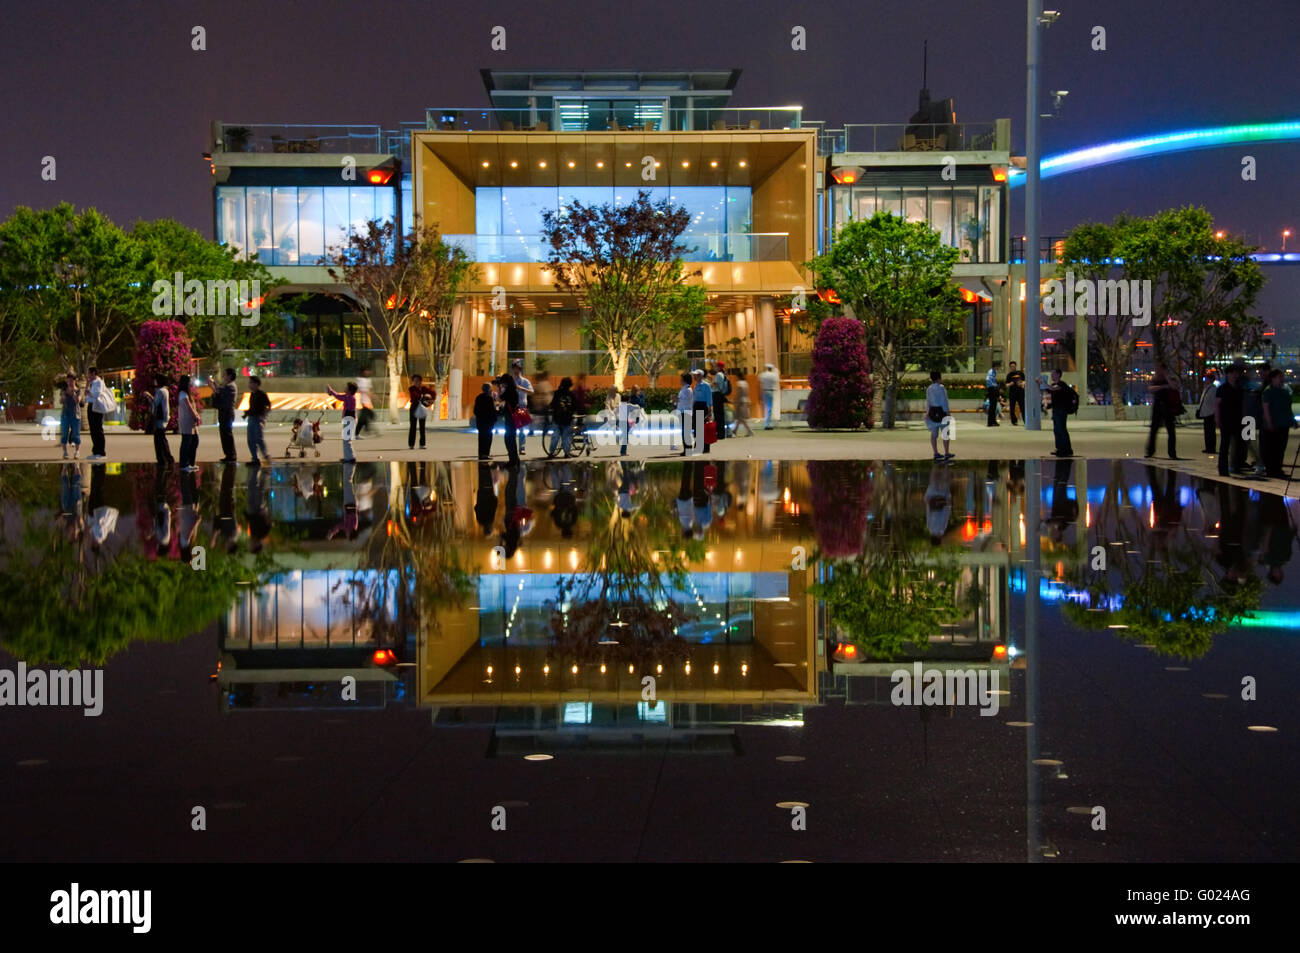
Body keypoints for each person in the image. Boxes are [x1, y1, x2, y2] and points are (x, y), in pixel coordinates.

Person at [1261, 368, 1295, 479]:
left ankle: (1277, 469)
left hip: (1284, 424)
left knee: (1281, 448)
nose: (1282, 379)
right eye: (1280, 377)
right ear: (1273, 378)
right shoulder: (1269, 391)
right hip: (1275, 424)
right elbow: (1265, 408)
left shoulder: (1284, 392)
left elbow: (1288, 408)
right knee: (1273, 448)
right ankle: (1272, 469)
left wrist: (1292, 420)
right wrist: (1269, 422)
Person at [1144, 362, 1181, 460]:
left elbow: (1174, 386)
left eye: (1159, 369)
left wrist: (1167, 377)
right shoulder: (1155, 379)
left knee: (1171, 431)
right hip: (1158, 406)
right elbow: (1151, 389)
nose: (1157, 371)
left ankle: (1172, 453)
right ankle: (1150, 451)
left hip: (1168, 406)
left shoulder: (1170, 378)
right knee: (1153, 430)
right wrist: (1163, 387)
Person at [1215, 364, 1244, 478]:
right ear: (1227, 374)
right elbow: (1217, 404)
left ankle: (1236, 466)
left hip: (1238, 419)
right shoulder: (1222, 389)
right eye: (1231, 373)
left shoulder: (1239, 388)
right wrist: (1217, 419)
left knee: (1238, 445)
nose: (1234, 375)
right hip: (1226, 420)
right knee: (1225, 445)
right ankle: (1223, 469)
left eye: (1235, 373)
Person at [325, 381, 359, 462]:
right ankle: (348, 457)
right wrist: (331, 392)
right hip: (349, 419)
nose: (345, 388)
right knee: (346, 439)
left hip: (349, 419)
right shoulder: (349, 396)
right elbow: (339, 397)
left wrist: (331, 391)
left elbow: (339, 397)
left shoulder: (350, 398)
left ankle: (350, 458)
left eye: (346, 387)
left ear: (350, 390)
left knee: (346, 440)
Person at [925, 369, 953, 461]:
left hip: (932, 412)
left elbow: (928, 401)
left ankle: (935, 452)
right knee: (945, 433)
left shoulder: (929, 388)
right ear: (939, 378)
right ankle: (946, 452)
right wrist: (948, 412)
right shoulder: (941, 387)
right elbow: (944, 401)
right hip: (942, 412)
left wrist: (927, 413)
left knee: (934, 434)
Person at [85, 367, 112, 460]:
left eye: (89, 373)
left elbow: (97, 395)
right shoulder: (92, 383)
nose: (88, 375)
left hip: (96, 407)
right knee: (93, 430)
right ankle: (95, 451)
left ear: (93, 373)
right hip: (91, 406)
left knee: (97, 429)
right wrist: (87, 386)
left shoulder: (99, 382)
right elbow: (87, 394)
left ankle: (101, 452)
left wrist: (89, 393)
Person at [244, 374, 271, 466]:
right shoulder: (252, 395)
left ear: (256, 384)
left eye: (251, 383)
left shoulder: (262, 394)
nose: (249, 385)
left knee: (258, 439)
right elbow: (252, 408)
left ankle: (265, 456)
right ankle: (255, 458)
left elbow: (268, 405)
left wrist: (263, 416)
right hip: (251, 418)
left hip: (257, 419)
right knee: (250, 440)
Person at [1047, 368, 1074, 456]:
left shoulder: (1062, 384)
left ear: (1058, 375)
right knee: (1056, 430)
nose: (1052, 376)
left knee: (1061, 429)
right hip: (1056, 410)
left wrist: (1041, 382)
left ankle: (1066, 449)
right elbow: (1049, 389)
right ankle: (1059, 448)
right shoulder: (1054, 385)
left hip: (1062, 410)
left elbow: (1052, 389)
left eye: (1053, 374)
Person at [214, 368, 239, 462]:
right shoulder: (227, 386)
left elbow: (221, 392)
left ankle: (231, 454)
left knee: (227, 434)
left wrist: (215, 387)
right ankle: (228, 454)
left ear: (230, 376)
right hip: (224, 412)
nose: (224, 376)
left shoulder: (231, 386)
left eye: (225, 374)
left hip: (227, 413)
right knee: (224, 434)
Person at [496, 372, 521, 465]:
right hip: (513, 416)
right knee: (512, 438)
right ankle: (515, 459)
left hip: (510, 417)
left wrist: (499, 389)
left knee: (508, 438)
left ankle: (513, 460)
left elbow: (499, 399)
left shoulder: (509, 390)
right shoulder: (514, 390)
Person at [549, 377, 577, 457]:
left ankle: (551, 453)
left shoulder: (557, 393)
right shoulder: (571, 394)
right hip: (567, 419)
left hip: (557, 419)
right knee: (567, 437)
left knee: (555, 436)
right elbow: (575, 405)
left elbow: (553, 404)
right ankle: (566, 453)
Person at [177, 374, 200, 471]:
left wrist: (196, 415)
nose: (191, 383)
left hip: (191, 421)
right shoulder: (183, 393)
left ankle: (190, 462)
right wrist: (196, 415)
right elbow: (189, 407)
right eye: (190, 381)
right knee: (186, 442)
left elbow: (192, 406)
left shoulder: (187, 393)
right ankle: (184, 464)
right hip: (186, 421)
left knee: (194, 441)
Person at [510, 361, 533, 454]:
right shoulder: (510, 380)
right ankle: (512, 448)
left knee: (522, 429)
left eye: (518, 368)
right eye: (515, 368)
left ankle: (522, 447)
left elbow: (531, 391)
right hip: (512, 407)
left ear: (520, 369)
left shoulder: (525, 381)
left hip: (522, 407)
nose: (516, 370)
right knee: (511, 429)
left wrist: (521, 388)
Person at [151, 374, 174, 465]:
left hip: (160, 419)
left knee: (159, 440)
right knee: (162, 439)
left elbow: (155, 403)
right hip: (163, 418)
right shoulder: (165, 390)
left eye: (155, 380)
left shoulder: (160, 391)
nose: (154, 381)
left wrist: (149, 396)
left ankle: (164, 459)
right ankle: (167, 458)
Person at [1196, 368, 1219, 455]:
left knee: (1210, 432)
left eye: (1206, 379)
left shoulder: (1212, 389)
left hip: (1210, 413)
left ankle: (1211, 447)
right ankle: (1209, 447)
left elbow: (1213, 402)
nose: (1205, 380)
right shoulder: (1207, 389)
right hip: (1207, 413)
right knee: (1208, 432)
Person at [408, 373, 434, 450]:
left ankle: (422, 444)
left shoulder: (424, 389)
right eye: (415, 381)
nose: (416, 382)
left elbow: (433, 393)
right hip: (414, 408)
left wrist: (429, 398)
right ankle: (411, 444)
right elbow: (415, 396)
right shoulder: (411, 388)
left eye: (418, 381)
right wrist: (424, 396)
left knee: (422, 427)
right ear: (412, 382)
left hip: (422, 408)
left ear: (421, 381)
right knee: (413, 426)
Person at [59, 374, 82, 459]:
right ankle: (65, 452)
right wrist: (64, 395)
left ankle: (77, 452)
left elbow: (78, 401)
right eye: (68, 381)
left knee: (76, 434)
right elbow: (60, 401)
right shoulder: (64, 390)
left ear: (75, 381)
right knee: (64, 433)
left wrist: (74, 393)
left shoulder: (78, 390)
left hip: (76, 415)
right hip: (65, 414)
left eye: (71, 381)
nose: (69, 383)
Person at [473, 382, 497, 460]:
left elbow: (475, 410)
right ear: (489, 389)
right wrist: (494, 419)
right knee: (488, 438)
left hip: (480, 421)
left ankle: (481, 454)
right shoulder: (489, 398)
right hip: (488, 422)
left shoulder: (478, 397)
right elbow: (492, 410)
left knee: (481, 438)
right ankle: (486, 454)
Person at [692, 368, 713, 454]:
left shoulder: (706, 386)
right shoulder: (696, 385)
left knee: (703, 428)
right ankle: (698, 446)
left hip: (703, 406)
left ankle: (705, 447)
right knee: (697, 428)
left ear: (700, 376)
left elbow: (709, 399)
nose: (694, 377)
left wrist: (709, 411)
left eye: (696, 375)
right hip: (697, 406)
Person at [674, 371, 694, 454]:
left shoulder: (687, 390)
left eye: (681, 379)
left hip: (685, 412)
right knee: (684, 431)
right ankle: (686, 448)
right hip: (683, 412)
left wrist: (676, 399)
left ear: (685, 380)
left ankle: (687, 449)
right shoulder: (685, 389)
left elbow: (684, 401)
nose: (680, 381)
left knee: (686, 432)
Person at [732, 371, 754, 437]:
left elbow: (738, 393)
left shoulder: (738, 383)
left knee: (741, 418)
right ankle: (735, 430)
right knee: (740, 417)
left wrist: (735, 400)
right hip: (746, 400)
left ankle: (750, 431)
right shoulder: (746, 383)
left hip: (740, 401)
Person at [758, 362, 780, 429]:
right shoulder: (774, 375)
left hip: (764, 391)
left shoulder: (762, 375)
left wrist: (760, 394)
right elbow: (777, 380)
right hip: (770, 391)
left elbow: (760, 385)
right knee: (769, 409)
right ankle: (767, 424)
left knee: (766, 408)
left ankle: (768, 423)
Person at [355, 367, 375, 437]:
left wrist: (372, 396)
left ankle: (365, 428)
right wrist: (366, 392)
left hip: (368, 400)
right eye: (366, 371)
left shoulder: (368, 380)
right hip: (363, 400)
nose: (368, 372)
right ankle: (366, 428)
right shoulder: (359, 379)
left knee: (365, 417)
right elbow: (359, 389)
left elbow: (370, 389)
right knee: (370, 415)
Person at [1005, 361, 1026, 425]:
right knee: (1012, 407)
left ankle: (1025, 420)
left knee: (1022, 406)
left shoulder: (1020, 373)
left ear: (1016, 366)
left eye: (1013, 366)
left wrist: (1022, 384)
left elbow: (1025, 381)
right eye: (1011, 366)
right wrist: (1010, 384)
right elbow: (1006, 385)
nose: (1012, 367)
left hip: (1020, 392)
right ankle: (1014, 421)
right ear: (1009, 367)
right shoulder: (1009, 375)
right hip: (1012, 393)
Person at [712, 361, 729, 440]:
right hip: (720, 395)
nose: (715, 367)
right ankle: (721, 433)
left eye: (716, 366)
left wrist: (710, 383)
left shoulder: (718, 374)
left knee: (717, 415)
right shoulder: (723, 375)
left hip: (717, 395)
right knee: (720, 415)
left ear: (719, 367)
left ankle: (719, 433)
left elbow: (715, 384)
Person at [984, 362, 1001, 426]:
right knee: (992, 406)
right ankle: (990, 422)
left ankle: (993, 421)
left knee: (994, 406)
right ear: (995, 366)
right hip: (991, 389)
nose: (998, 368)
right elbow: (988, 380)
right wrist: (995, 385)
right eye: (997, 366)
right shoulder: (991, 372)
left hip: (993, 389)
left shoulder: (994, 372)